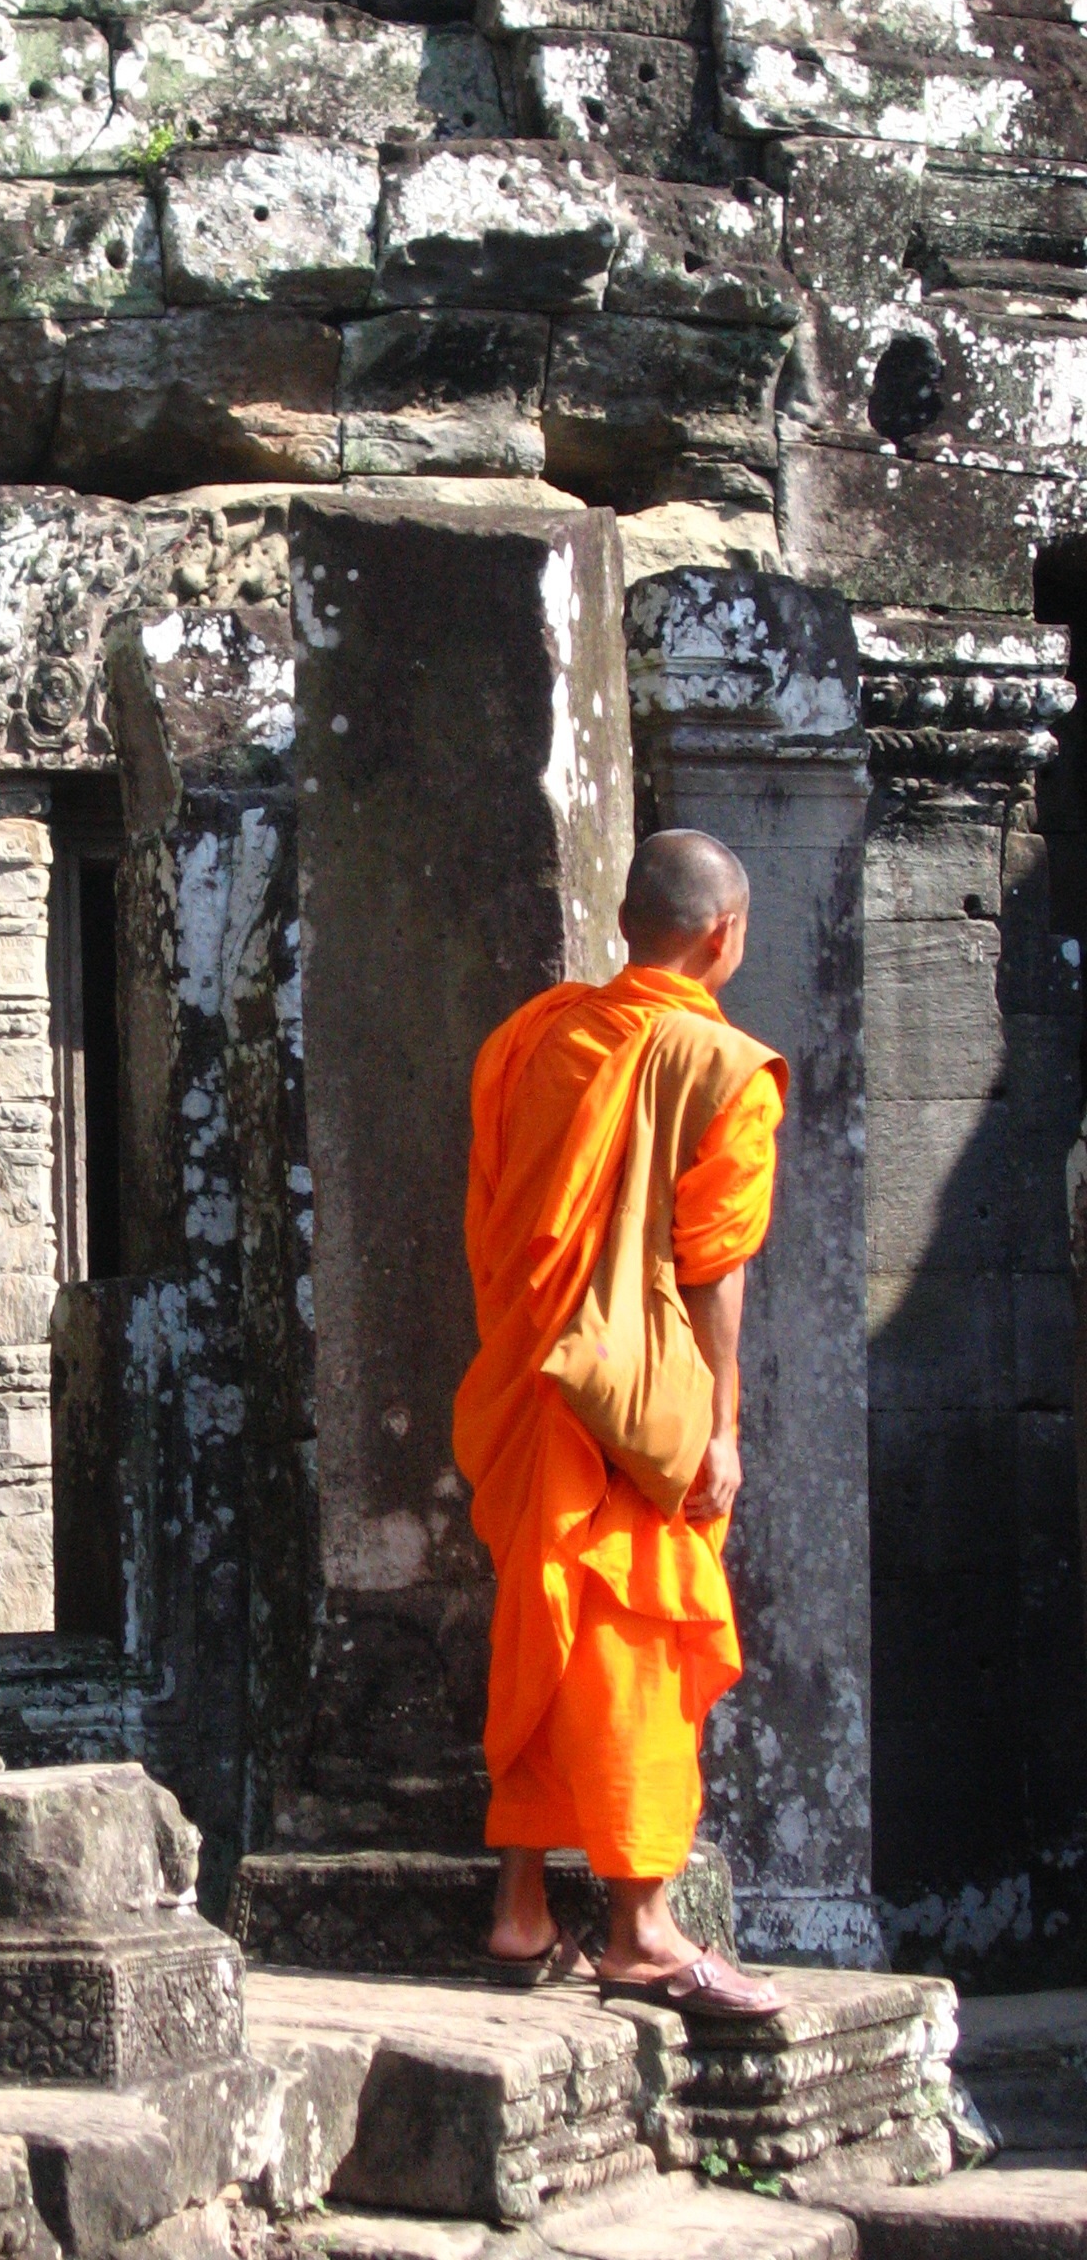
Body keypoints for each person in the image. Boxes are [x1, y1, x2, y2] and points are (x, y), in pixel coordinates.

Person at [452, 829, 788, 2014]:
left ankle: (522, 1907)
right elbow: (714, 1266)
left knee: (541, 1617)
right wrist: (720, 1425)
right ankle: (641, 1926)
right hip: (636, 1403)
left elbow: (497, 1225)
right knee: (636, 1626)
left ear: (626, 920)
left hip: (535, 1379)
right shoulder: (721, 1066)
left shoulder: (527, 1040)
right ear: (724, 935)